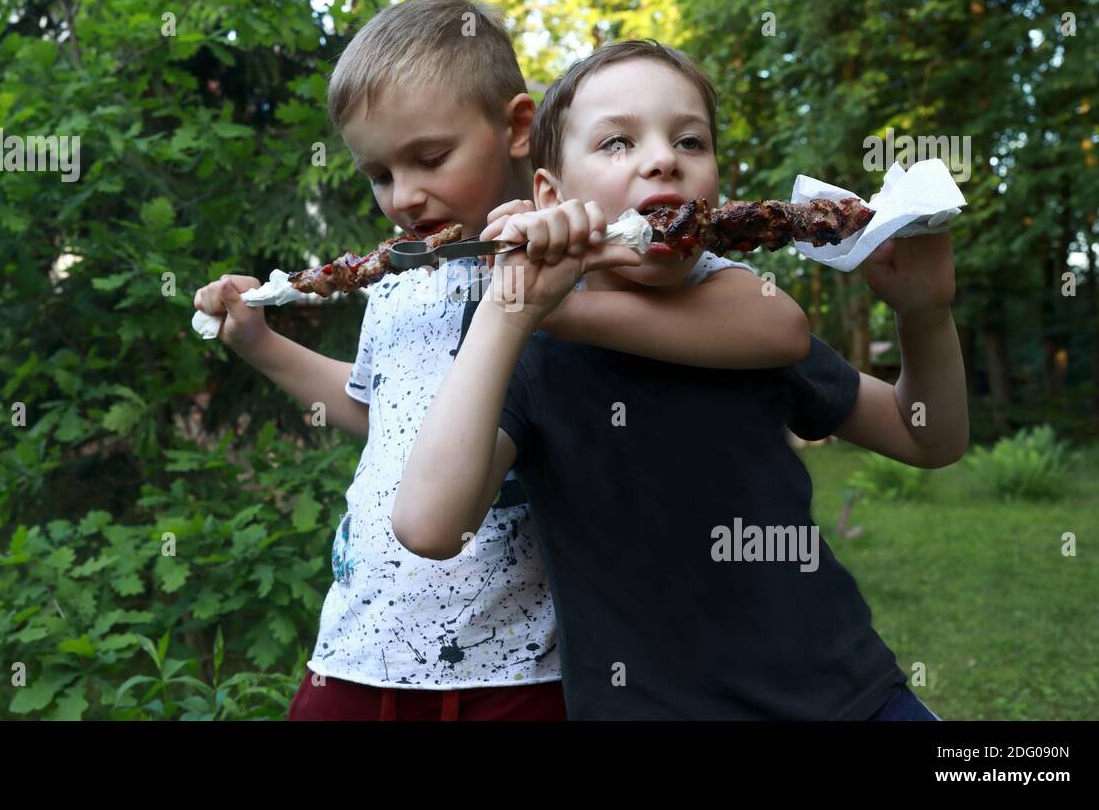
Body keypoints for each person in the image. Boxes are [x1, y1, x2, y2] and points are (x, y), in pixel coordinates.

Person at [194, 2, 808, 720]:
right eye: (378, 175)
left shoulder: (581, 254)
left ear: (517, 128)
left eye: (429, 159)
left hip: (521, 666)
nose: (404, 196)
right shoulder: (396, 288)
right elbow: (378, 414)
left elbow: (772, 325)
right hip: (357, 650)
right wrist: (260, 344)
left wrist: (543, 303)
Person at [393, 39, 967, 719]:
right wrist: (510, 308)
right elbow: (430, 525)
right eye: (616, 143)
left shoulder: (741, 318)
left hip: (854, 699)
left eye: (690, 141)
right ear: (550, 193)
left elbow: (925, 437)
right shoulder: (524, 342)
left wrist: (925, 316)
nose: (664, 158)